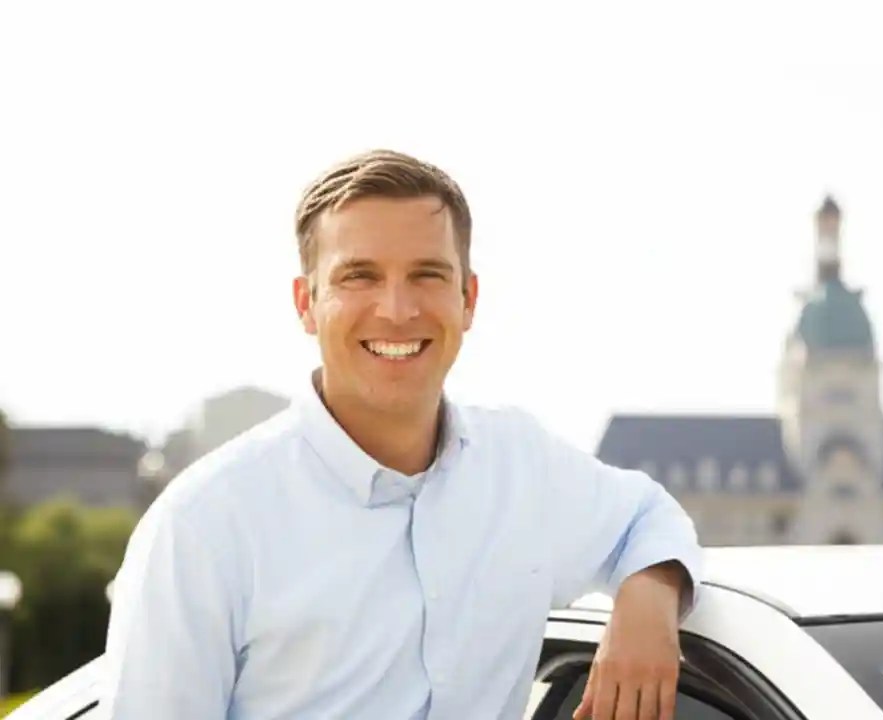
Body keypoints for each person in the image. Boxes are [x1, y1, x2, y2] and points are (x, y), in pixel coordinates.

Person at [100, 149, 703, 720]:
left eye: (427, 275)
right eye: (359, 276)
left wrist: (647, 601)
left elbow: (648, 517)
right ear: (306, 303)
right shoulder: (203, 526)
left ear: (468, 299)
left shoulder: (522, 466)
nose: (396, 309)